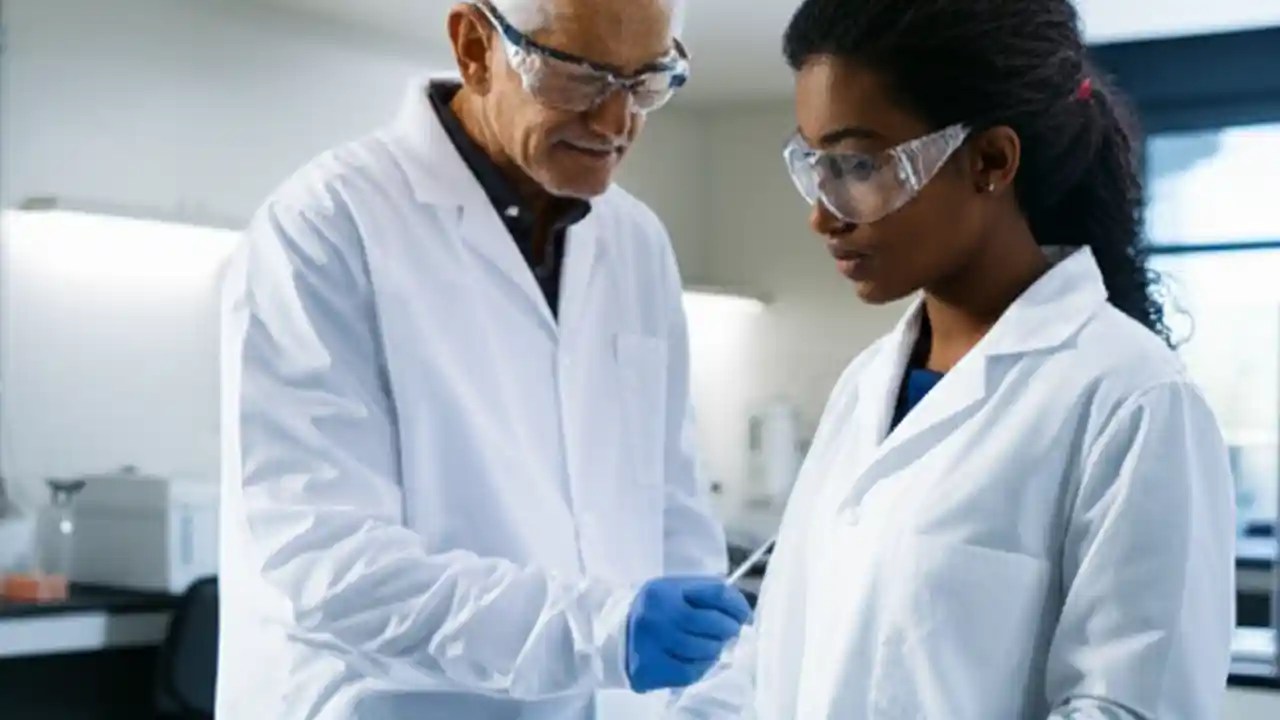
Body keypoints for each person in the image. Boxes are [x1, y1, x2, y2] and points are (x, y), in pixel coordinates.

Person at [671, 0, 1236, 718]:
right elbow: (782, 660)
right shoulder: (865, 387)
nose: (823, 212)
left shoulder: (1132, 401)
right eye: (815, 165)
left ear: (991, 161)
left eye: (860, 165)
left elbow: (1132, 707)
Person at [217, 0, 751, 717]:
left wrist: (709, 699)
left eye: (645, 82)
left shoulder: (636, 241)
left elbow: (675, 517)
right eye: (580, 77)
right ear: (475, 47)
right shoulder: (327, 224)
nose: (615, 122)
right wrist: (601, 634)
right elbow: (327, 565)